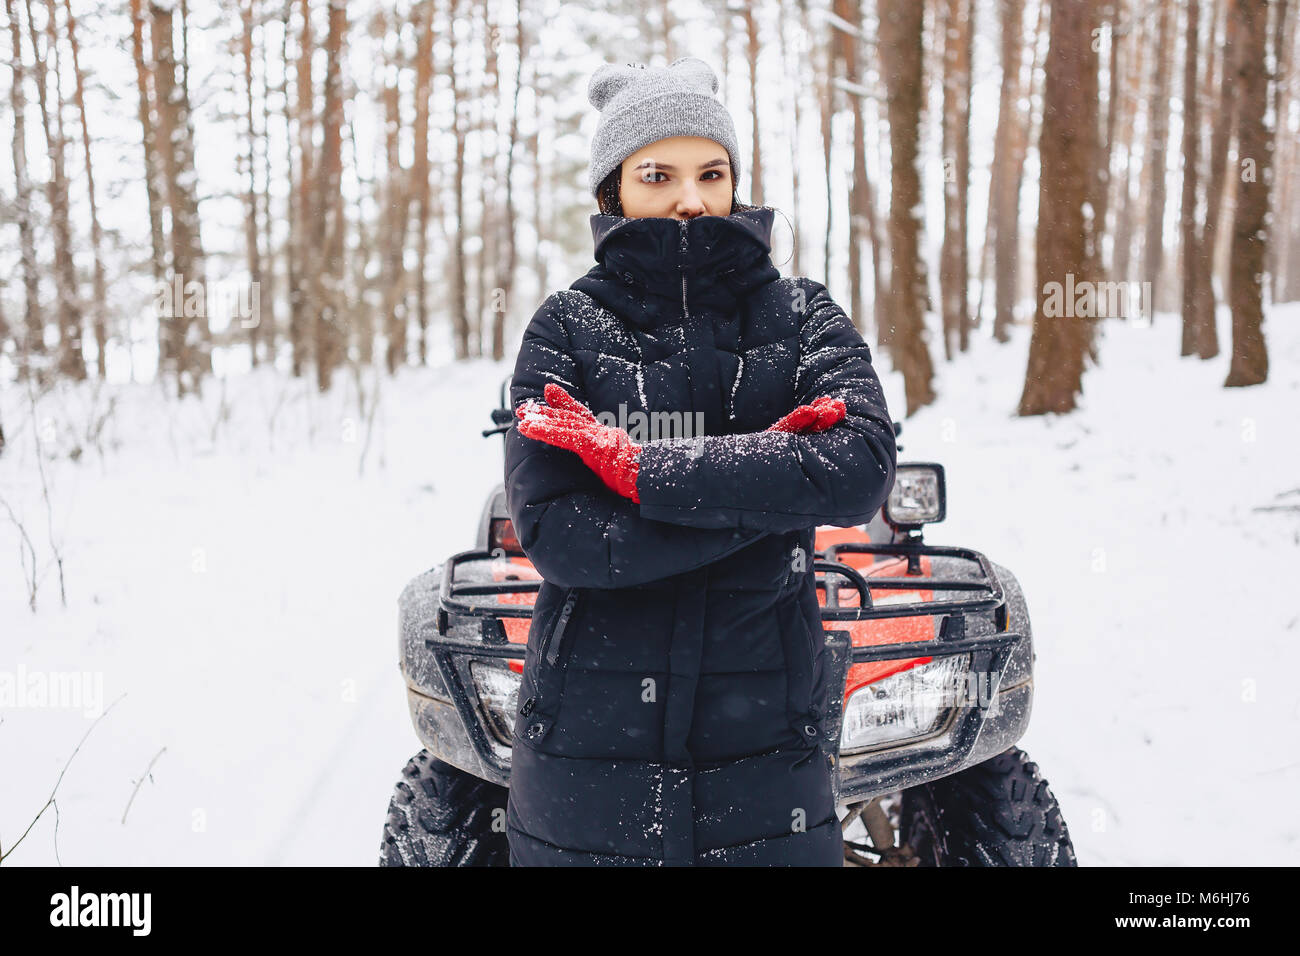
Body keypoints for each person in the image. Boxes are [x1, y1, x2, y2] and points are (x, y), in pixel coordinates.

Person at [502, 56, 897, 866]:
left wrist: (644, 475)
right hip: (585, 744)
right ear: (615, 189)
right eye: (658, 174)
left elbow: (859, 469)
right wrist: (772, 487)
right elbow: (559, 534)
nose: (692, 197)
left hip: (770, 745)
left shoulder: (804, 314)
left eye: (711, 172)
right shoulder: (565, 328)